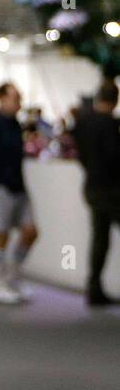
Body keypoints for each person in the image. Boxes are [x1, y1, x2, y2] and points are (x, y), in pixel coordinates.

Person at [0, 82, 38, 305]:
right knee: (0, 234)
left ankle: (13, 276)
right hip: (0, 186)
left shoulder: (14, 124)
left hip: (17, 185)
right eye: (15, 98)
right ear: (2, 98)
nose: (18, 102)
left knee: (30, 231)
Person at [72, 82, 120, 307]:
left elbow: (81, 154)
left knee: (100, 238)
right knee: (101, 239)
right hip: (110, 189)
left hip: (92, 185)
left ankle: (94, 286)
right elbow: (113, 156)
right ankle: (94, 287)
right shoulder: (109, 124)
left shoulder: (84, 122)